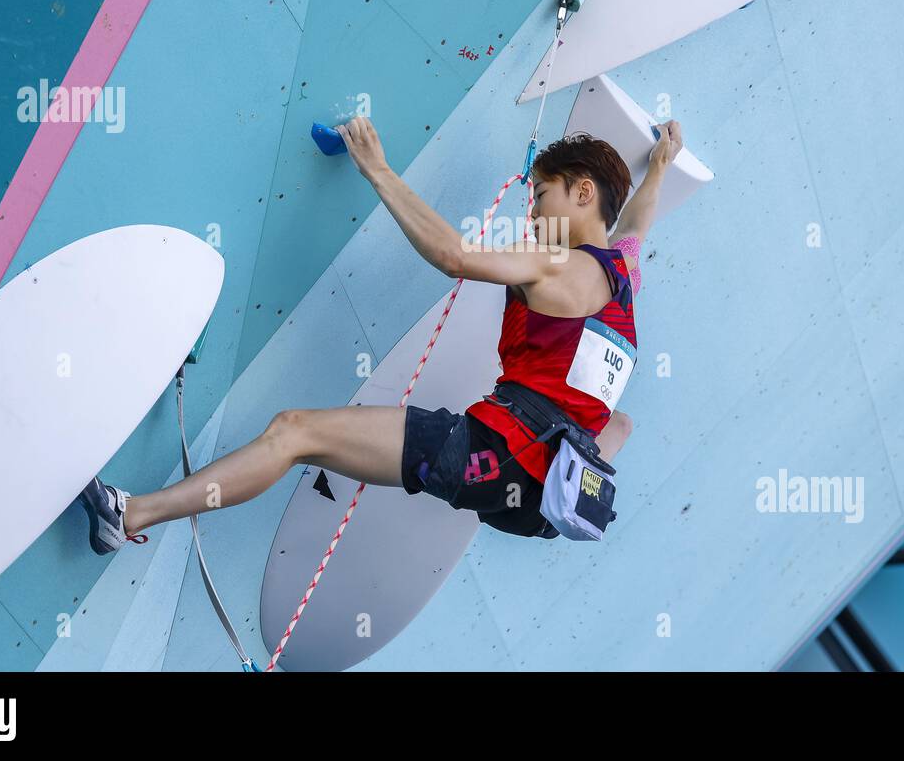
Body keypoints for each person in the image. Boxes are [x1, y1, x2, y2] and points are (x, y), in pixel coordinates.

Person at [79, 115, 682, 550]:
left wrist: (378, 170)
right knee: (303, 439)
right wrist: (657, 168)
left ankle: (130, 513)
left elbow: (454, 255)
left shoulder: (556, 260)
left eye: (541, 195)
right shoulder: (623, 273)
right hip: (541, 501)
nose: (532, 213)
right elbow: (634, 224)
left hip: (492, 454)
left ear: (581, 192)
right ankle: (133, 515)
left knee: (294, 432)